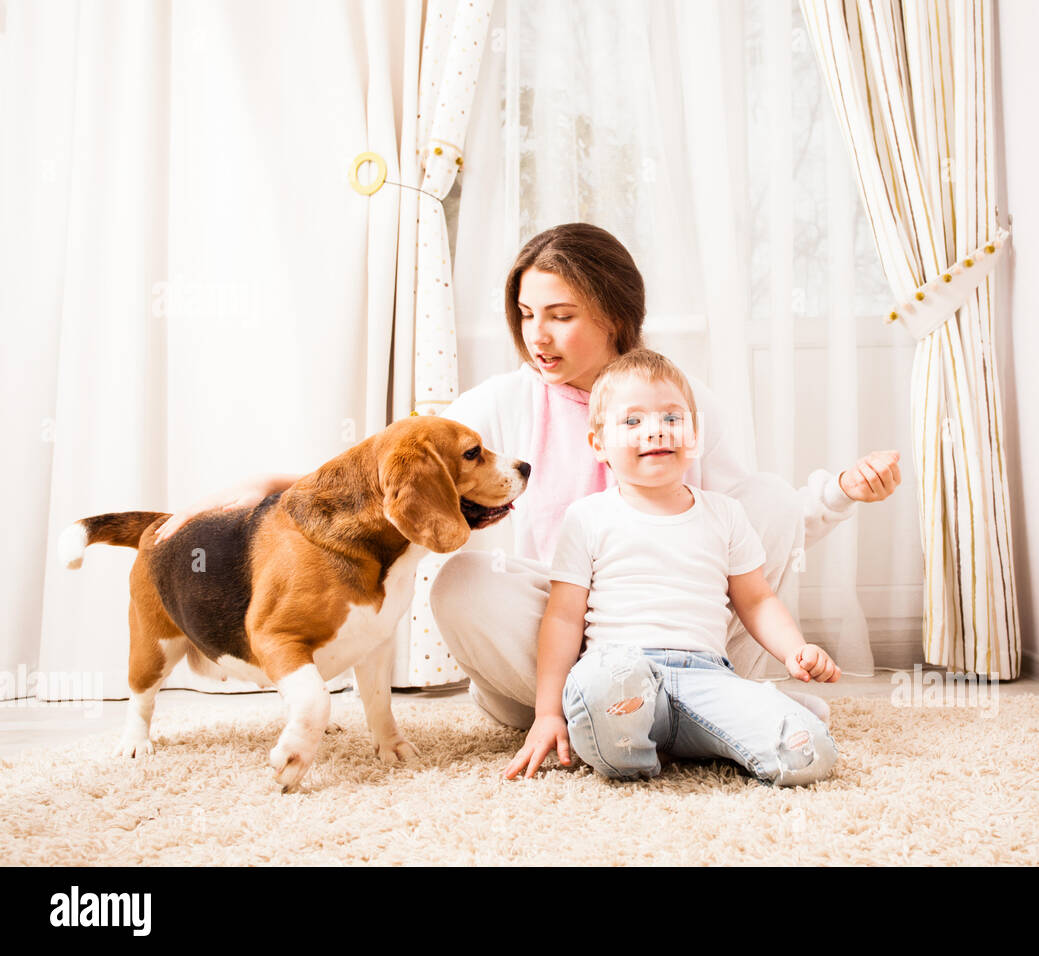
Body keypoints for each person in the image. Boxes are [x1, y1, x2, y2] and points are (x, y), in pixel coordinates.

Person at [155, 223, 902, 729]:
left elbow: (745, 538)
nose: (537, 336)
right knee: (461, 584)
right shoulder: (495, 408)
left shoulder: (677, 399)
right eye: (526, 313)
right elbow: (394, 478)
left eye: (561, 315)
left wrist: (836, 494)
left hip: (675, 625)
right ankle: (593, 707)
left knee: (766, 498)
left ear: (614, 312)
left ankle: (702, 698)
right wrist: (267, 494)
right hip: (553, 633)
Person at [505, 348, 841, 786]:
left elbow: (757, 601)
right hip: (621, 676)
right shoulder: (587, 517)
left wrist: (795, 648)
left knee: (808, 751)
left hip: (705, 678)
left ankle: (747, 717)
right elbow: (563, 617)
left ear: (694, 435)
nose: (656, 431)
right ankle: (637, 749)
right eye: (632, 421)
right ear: (598, 444)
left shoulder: (726, 514)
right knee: (598, 687)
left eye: (671, 418)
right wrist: (547, 713)